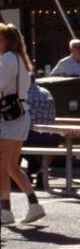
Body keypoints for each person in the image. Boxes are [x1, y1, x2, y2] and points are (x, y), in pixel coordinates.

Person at [0, 24, 46, 225]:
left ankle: (5, 210)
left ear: (6, 40)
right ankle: (34, 205)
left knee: (3, 164)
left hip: (9, 117)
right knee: (12, 166)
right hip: (19, 115)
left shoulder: (8, 59)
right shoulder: (19, 59)